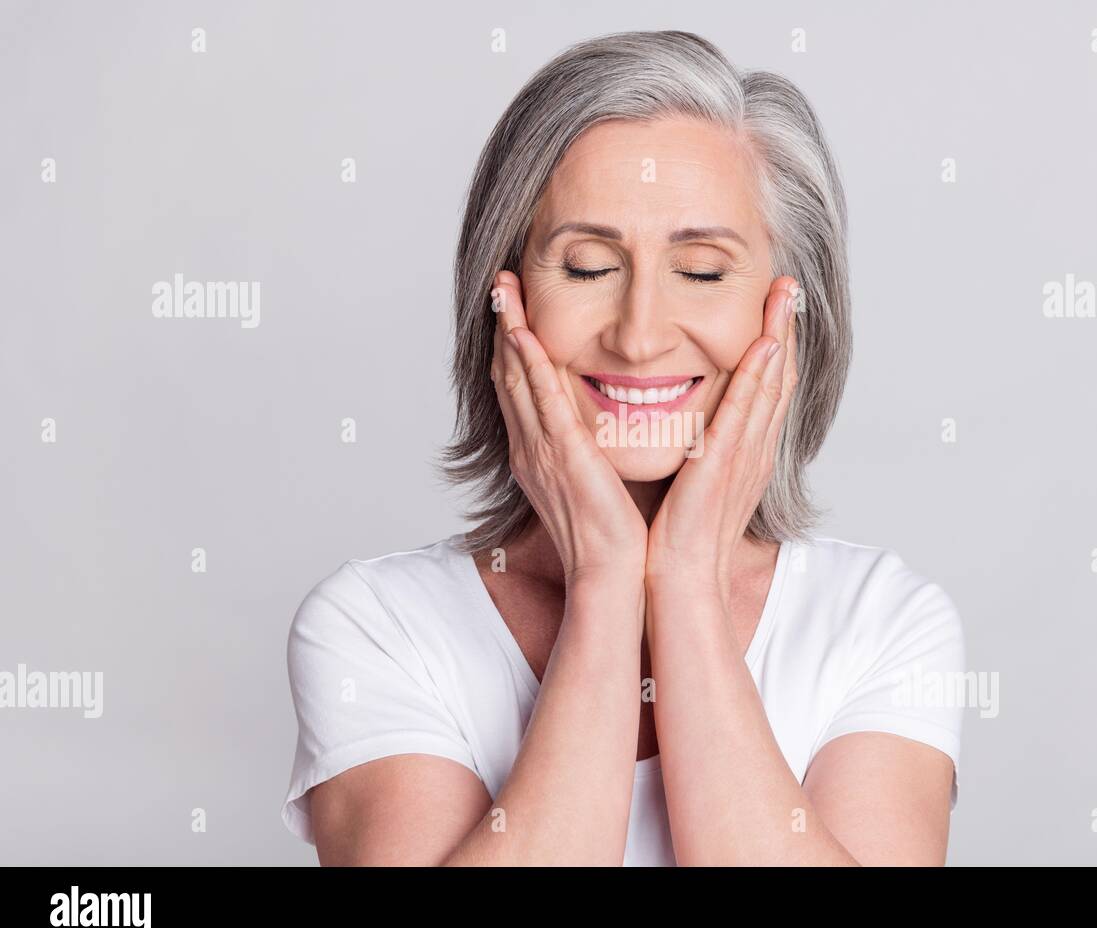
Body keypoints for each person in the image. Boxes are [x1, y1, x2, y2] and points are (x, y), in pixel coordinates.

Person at [281, 30, 965, 866]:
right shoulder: (377, 627)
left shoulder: (881, 622)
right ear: (506, 300)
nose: (640, 337)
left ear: (790, 313)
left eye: (704, 272)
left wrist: (682, 583)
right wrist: (608, 577)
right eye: (588, 266)